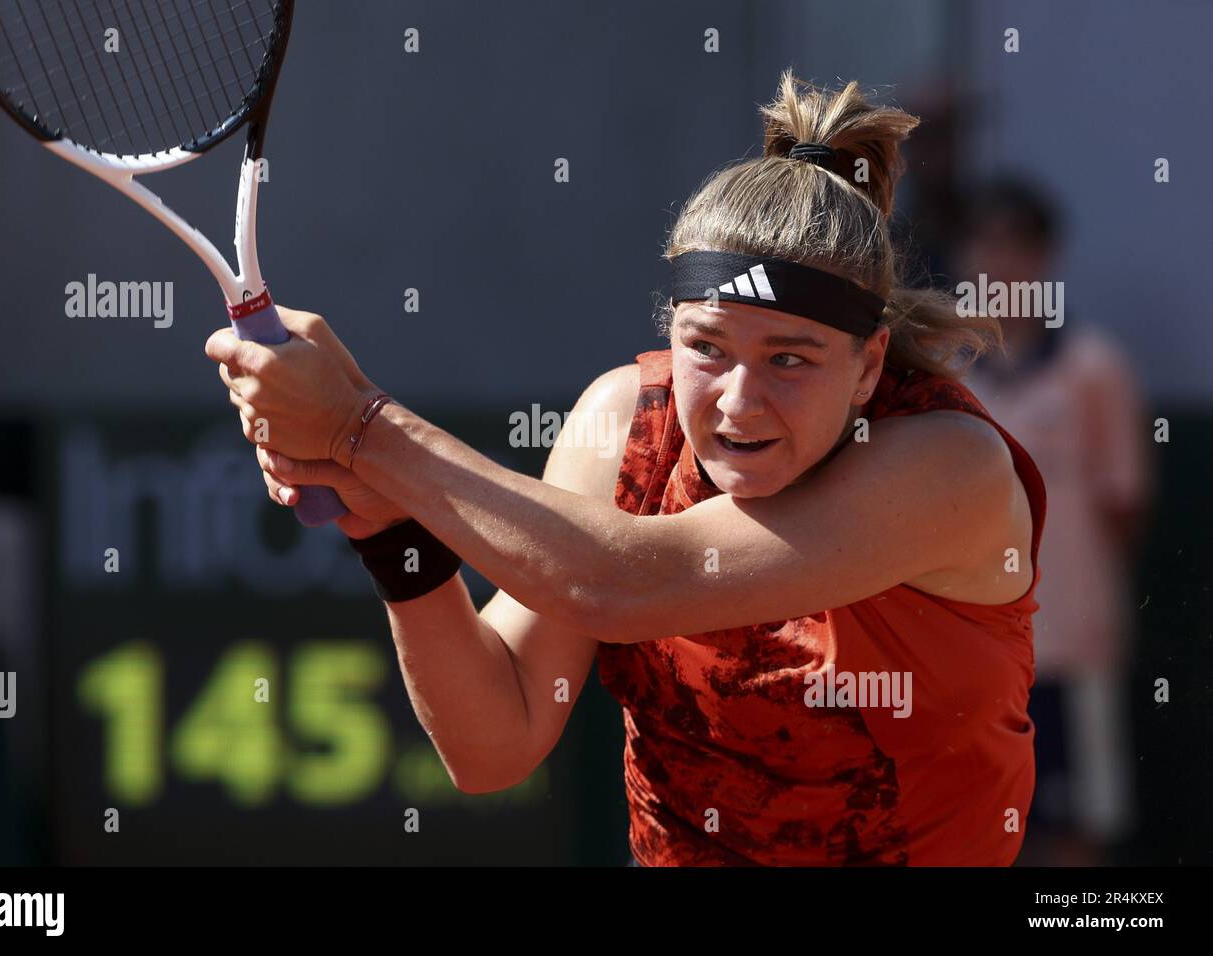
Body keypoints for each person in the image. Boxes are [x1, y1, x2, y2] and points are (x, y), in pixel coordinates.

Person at [205, 72, 1046, 866]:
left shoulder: (948, 467)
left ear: (867, 367)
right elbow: (495, 742)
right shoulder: (622, 427)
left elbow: (622, 583)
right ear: (669, 331)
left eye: (791, 359)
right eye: (707, 348)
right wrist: (392, 530)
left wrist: (359, 427)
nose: (740, 402)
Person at [957, 179, 1152, 865]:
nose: (1001, 262)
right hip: (966, 652)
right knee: (975, 827)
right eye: (987, 241)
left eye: (1020, 243)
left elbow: (1123, 507)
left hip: (1071, 643)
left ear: (1049, 258)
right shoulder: (940, 377)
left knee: (1075, 830)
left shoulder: (1095, 369)